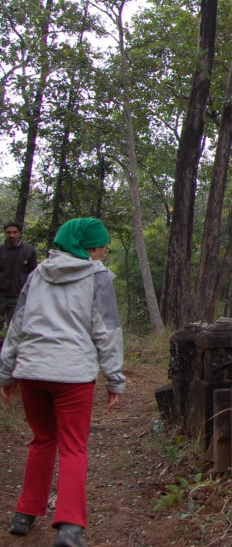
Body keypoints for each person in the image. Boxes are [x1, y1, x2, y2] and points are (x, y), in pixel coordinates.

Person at [0, 218, 125, 547]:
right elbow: (107, 331)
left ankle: (24, 514)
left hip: (32, 371)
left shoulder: (38, 273)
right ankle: (69, 527)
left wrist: (7, 372)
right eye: (100, 247)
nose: (102, 253)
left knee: (42, 440)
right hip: (72, 374)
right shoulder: (97, 277)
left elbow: (18, 323)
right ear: (87, 247)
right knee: (73, 447)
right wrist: (114, 378)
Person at [0, 222, 38, 332]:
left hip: (18, 295)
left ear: (20, 234)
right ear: (5, 234)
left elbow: (33, 273)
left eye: (14, 232)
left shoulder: (29, 250)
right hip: (1, 294)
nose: (11, 235)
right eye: (8, 232)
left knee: (14, 327)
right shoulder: (1, 250)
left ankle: (8, 348)